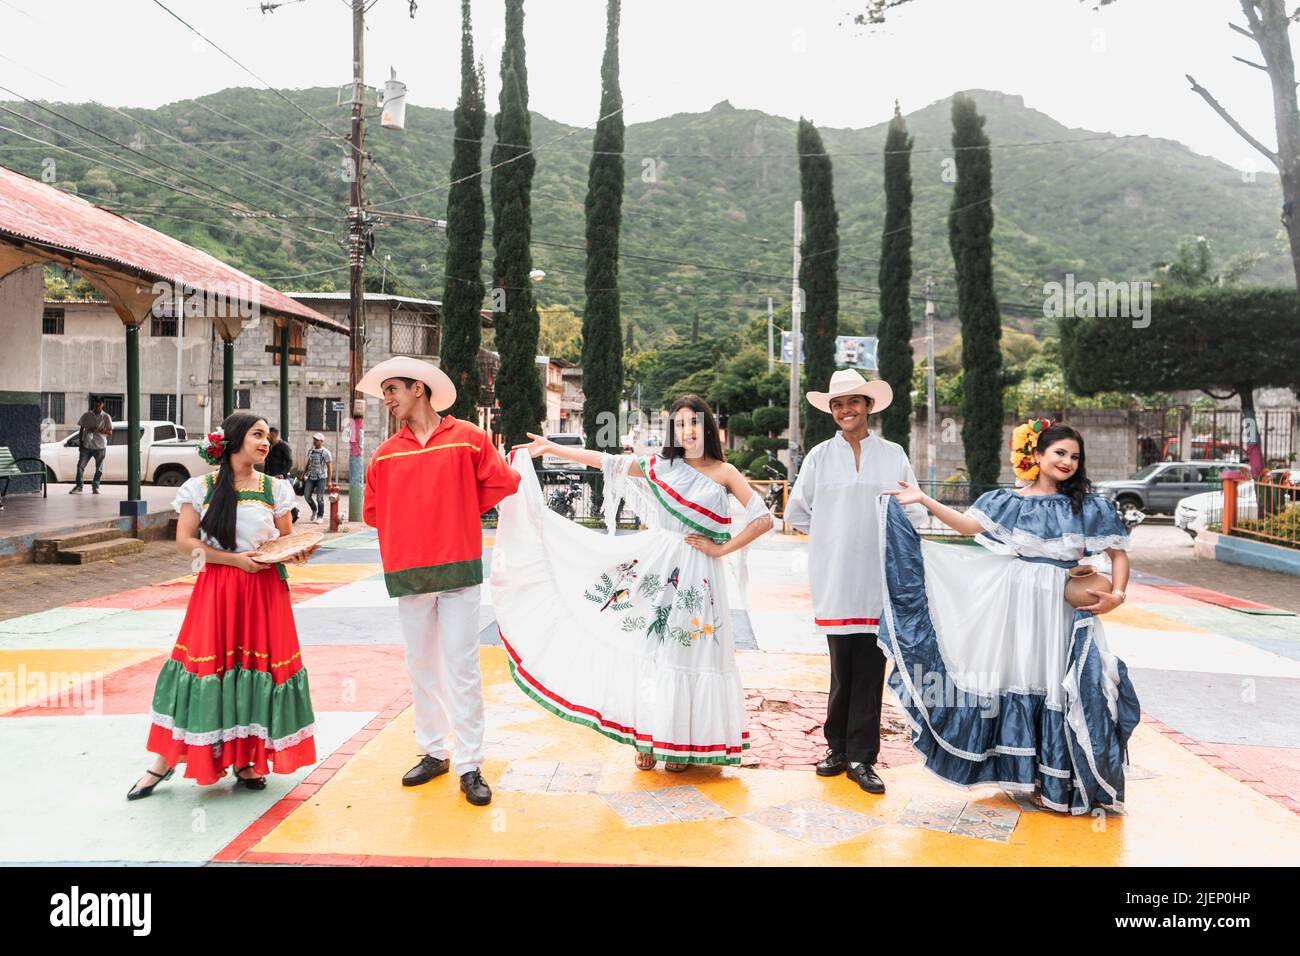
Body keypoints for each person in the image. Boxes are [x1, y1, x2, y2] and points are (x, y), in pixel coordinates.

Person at [499, 394, 774, 772]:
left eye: (694, 422)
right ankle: (647, 737)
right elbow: (609, 462)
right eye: (679, 424)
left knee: (689, 654)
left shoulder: (725, 473)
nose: (687, 431)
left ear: (707, 427)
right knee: (652, 652)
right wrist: (549, 447)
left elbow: (763, 519)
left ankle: (681, 744)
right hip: (658, 569)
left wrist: (722, 549)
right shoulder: (662, 466)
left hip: (700, 576)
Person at [882, 420, 1140, 814]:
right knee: (1021, 676)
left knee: (1058, 682)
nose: (1068, 461)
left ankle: (1059, 783)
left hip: (1062, 608)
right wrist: (924, 500)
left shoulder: (1090, 505)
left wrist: (1117, 595)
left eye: (1074, 456)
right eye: (1059, 453)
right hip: (1017, 605)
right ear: (1037, 455)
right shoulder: (1009, 502)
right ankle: (1024, 776)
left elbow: (1119, 555)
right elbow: (969, 526)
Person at [127, 412, 318, 800]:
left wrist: (293, 555)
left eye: (267, 436)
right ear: (233, 440)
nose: (266, 442)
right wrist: (235, 561)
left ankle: (247, 760)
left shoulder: (275, 489)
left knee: (255, 670)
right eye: (257, 434)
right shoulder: (200, 487)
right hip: (217, 588)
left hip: (265, 591)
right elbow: (185, 542)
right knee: (205, 668)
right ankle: (163, 762)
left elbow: (285, 542)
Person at [360, 356, 520, 807]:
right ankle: (434, 752)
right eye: (385, 391)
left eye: (393, 389)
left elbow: (502, 482)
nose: (387, 399)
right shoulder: (385, 454)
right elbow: (373, 512)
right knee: (421, 665)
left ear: (419, 389)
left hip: (458, 570)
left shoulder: (469, 439)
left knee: (462, 666)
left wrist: (457, 509)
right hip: (409, 573)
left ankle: (471, 764)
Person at [785, 369, 925, 795]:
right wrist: (835, 536)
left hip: (879, 578)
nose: (845, 410)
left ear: (869, 407)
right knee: (841, 668)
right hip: (835, 576)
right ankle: (837, 749)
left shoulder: (893, 454)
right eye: (837, 404)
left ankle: (863, 757)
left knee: (871, 668)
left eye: (853, 402)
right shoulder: (819, 457)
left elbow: (914, 512)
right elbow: (797, 513)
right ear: (832, 411)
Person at [70, 398, 112, 494]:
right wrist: (80, 443)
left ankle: (95, 486)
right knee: (80, 466)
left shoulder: (106, 417)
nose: (97, 405)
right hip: (86, 445)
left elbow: (110, 432)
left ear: (102, 405)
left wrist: (101, 430)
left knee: (99, 468)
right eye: (96, 403)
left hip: (100, 446)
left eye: (99, 403)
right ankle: (79, 486)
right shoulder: (87, 415)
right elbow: (81, 429)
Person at [303, 432, 332, 524]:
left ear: (321, 441)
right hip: (311, 477)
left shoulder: (325, 453)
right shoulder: (311, 451)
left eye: (316, 440)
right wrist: (304, 473)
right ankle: (314, 509)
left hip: (321, 478)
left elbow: (330, 467)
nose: (314, 441)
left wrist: (329, 481)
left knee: (320, 498)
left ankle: (320, 516)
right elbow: (309, 463)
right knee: (307, 496)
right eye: (314, 439)